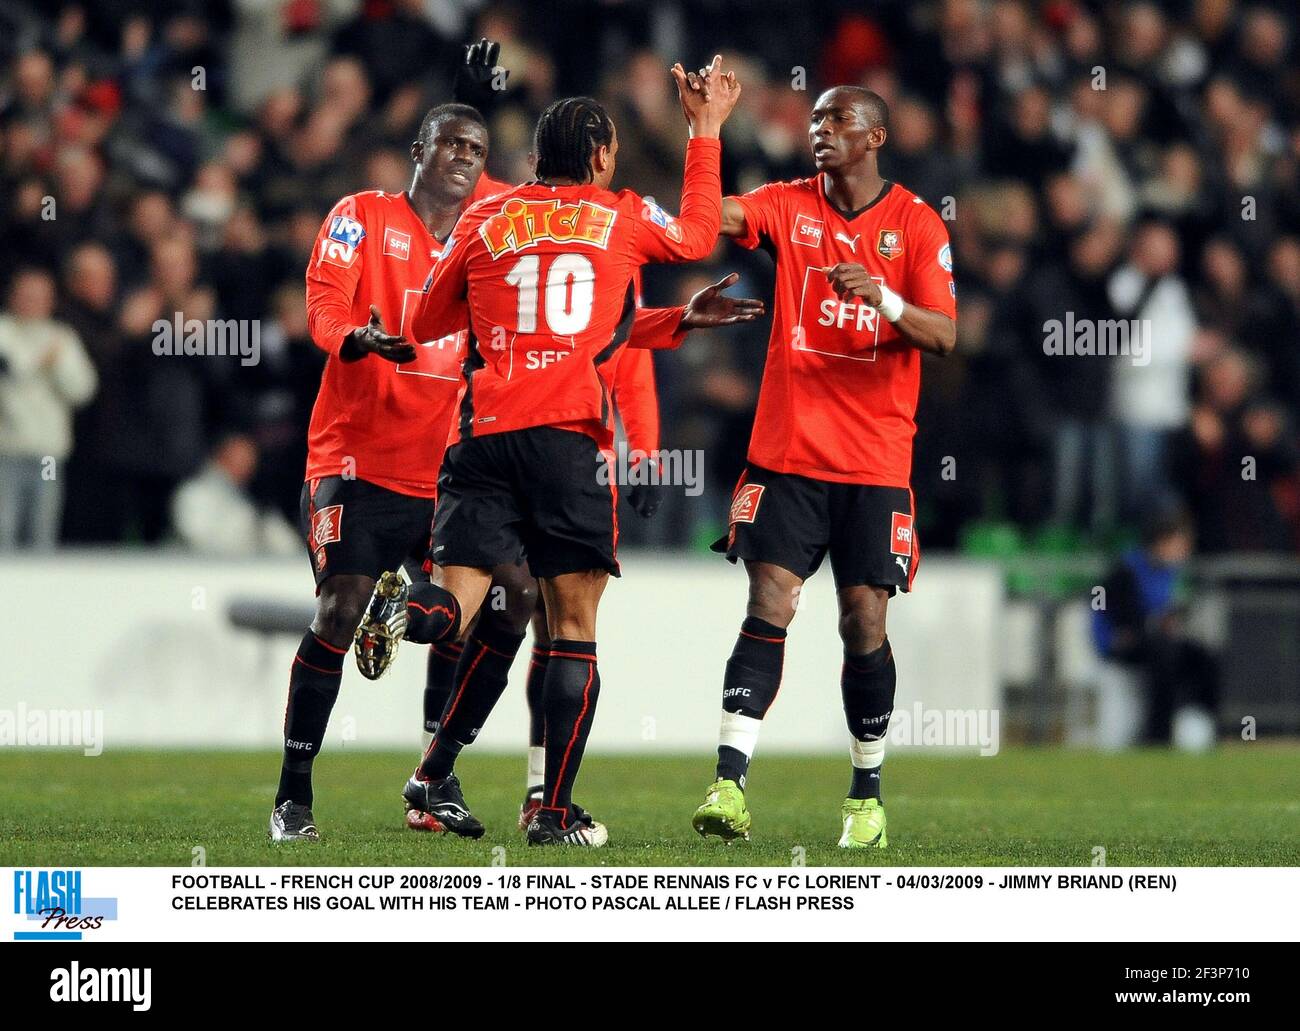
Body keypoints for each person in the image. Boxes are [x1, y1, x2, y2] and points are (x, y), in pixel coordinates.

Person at [356, 56, 745, 846]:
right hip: (569, 438)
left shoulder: (484, 221)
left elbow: (430, 323)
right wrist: (705, 130)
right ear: (601, 157)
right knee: (572, 625)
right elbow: (702, 233)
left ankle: (408, 602)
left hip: (484, 436)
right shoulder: (621, 216)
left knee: (457, 605)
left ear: (535, 159)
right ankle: (552, 811)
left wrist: (664, 323)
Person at [688, 84, 957, 849]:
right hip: (788, 453)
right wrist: (706, 132)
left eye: (836, 120)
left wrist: (889, 302)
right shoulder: (789, 204)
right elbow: (711, 221)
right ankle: (729, 784)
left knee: (862, 616)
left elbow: (945, 334)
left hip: (875, 458)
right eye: (813, 120)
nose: (819, 131)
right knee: (770, 598)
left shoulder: (915, 224)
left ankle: (865, 793)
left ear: (875, 134)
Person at [269, 51, 515, 841]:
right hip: (352, 461)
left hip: (446, 470)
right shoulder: (360, 215)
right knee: (339, 608)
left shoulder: (490, 229)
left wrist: (477, 104)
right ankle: (293, 798)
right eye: (448, 144)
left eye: (475, 150)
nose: (462, 159)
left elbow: (557, 202)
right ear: (417, 152)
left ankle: (431, 782)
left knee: (480, 611)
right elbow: (322, 306)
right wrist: (357, 339)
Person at [0, 268, 98, 549]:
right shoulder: (3, 332)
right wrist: (38, 362)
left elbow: (83, 390)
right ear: (13, 297)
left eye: (39, 297)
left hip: (47, 456)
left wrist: (56, 366)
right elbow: (10, 372)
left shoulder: (62, 337)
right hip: (6, 452)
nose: (32, 303)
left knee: (42, 529)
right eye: (26, 296)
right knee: (3, 528)